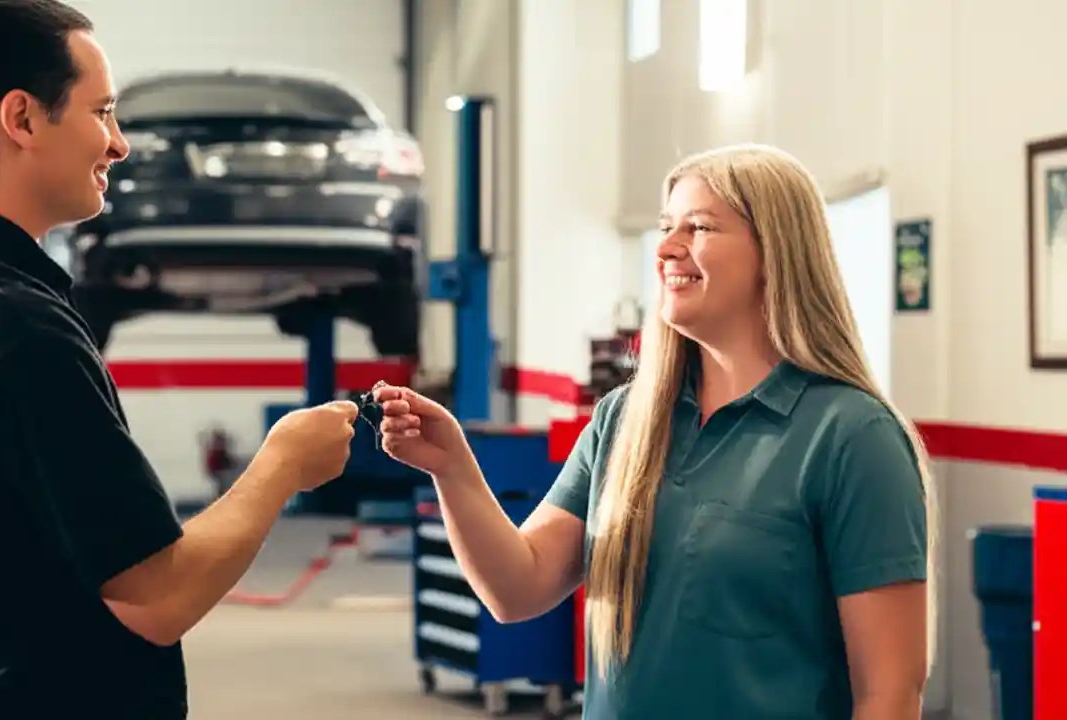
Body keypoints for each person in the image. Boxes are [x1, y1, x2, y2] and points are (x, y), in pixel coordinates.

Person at [0, 1, 358, 718]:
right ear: (22, 120)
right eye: (103, 112)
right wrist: (283, 463)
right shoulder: (19, 327)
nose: (118, 144)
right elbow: (157, 596)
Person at [374, 144, 935, 719]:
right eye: (667, 227)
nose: (667, 248)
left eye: (700, 227)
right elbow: (519, 588)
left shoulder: (851, 436)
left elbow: (888, 692)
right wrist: (452, 468)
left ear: (776, 253)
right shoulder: (623, 421)